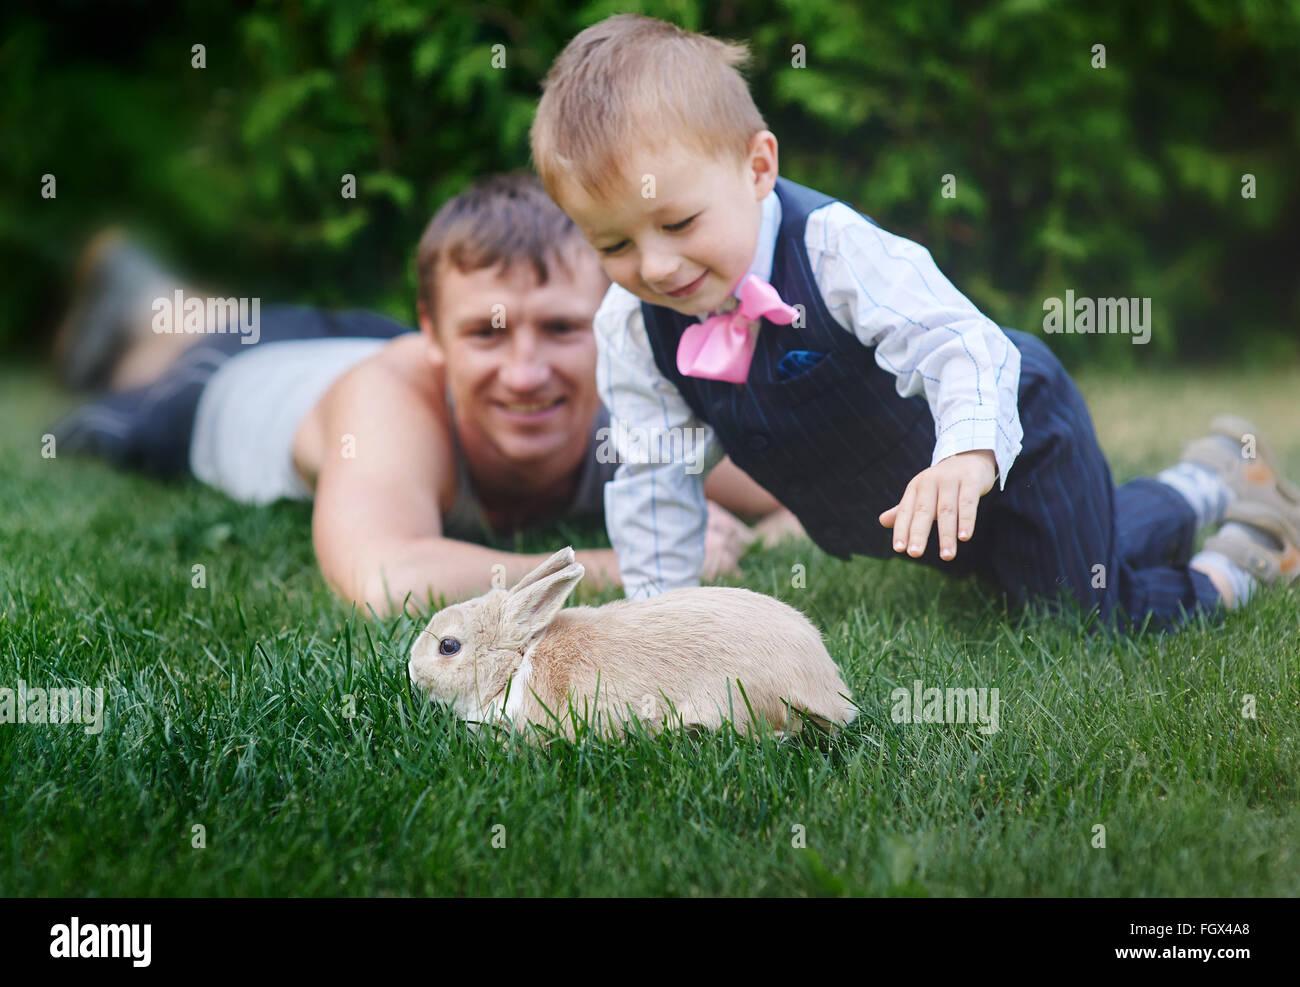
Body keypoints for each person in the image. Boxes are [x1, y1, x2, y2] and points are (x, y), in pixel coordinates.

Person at [528, 14, 1300, 630]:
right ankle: (1208, 476)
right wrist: (662, 622)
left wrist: (967, 454)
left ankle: (1241, 558)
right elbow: (652, 473)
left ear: (758, 168)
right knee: (1027, 567)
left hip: (1015, 435)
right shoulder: (635, 325)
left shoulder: (835, 251)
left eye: (679, 221)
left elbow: (958, 343)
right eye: (614, 243)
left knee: (1074, 614)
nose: (656, 266)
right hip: (929, 504)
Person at [49, 172, 803, 615]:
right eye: (488, 336)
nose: (527, 372)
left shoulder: (627, 384)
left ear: (606, 318)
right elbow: (386, 577)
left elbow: (793, 487)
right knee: (146, 366)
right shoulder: (389, 403)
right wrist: (625, 561)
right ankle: (141, 308)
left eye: (562, 328)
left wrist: (773, 530)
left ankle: (152, 291)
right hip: (230, 387)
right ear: (434, 335)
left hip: (360, 339)